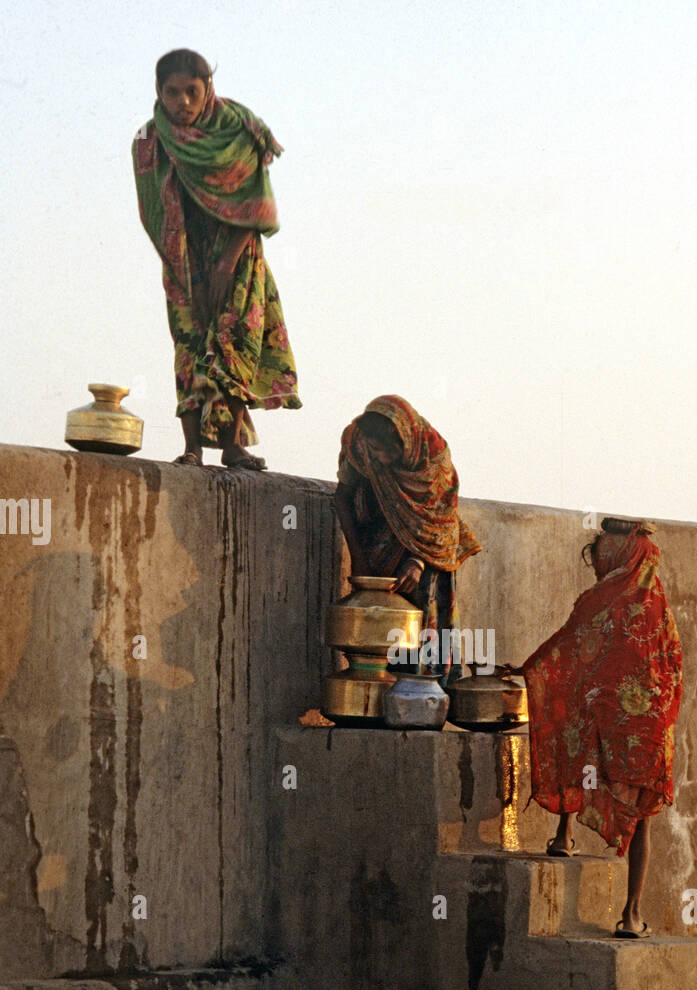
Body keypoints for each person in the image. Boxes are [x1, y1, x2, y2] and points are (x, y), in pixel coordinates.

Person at [503, 519, 682, 939]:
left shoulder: (597, 601)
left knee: (574, 730)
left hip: (609, 716)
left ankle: (565, 833)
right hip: (647, 727)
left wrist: (531, 669)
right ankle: (631, 915)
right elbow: (673, 668)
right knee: (642, 815)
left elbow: (566, 649)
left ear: (617, 556)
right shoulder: (657, 605)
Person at [133, 49, 301, 470]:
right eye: (172, 93)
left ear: (208, 89)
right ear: (159, 92)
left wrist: (225, 263)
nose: (182, 102)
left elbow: (257, 203)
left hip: (237, 254)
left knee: (233, 343)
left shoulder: (238, 129)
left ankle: (232, 447)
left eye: (192, 91)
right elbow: (156, 210)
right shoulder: (150, 140)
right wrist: (188, 273)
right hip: (184, 258)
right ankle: (192, 448)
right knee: (190, 344)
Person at [334, 396, 481, 685]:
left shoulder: (433, 456)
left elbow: (441, 517)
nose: (377, 459)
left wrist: (417, 562)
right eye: (373, 450)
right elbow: (342, 497)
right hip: (376, 546)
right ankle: (379, 693)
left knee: (421, 623)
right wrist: (359, 561)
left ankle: (422, 693)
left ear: (403, 445)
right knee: (378, 626)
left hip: (428, 552)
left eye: (383, 452)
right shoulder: (359, 444)